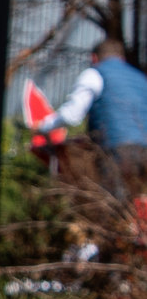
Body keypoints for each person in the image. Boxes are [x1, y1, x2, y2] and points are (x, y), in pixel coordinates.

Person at [52, 34, 147, 190]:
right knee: (139, 204)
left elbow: (72, 116)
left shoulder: (95, 74)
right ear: (122, 59)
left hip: (117, 151)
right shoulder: (141, 78)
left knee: (114, 206)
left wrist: (46, 125)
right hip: (145, 150)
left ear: (94, 58)